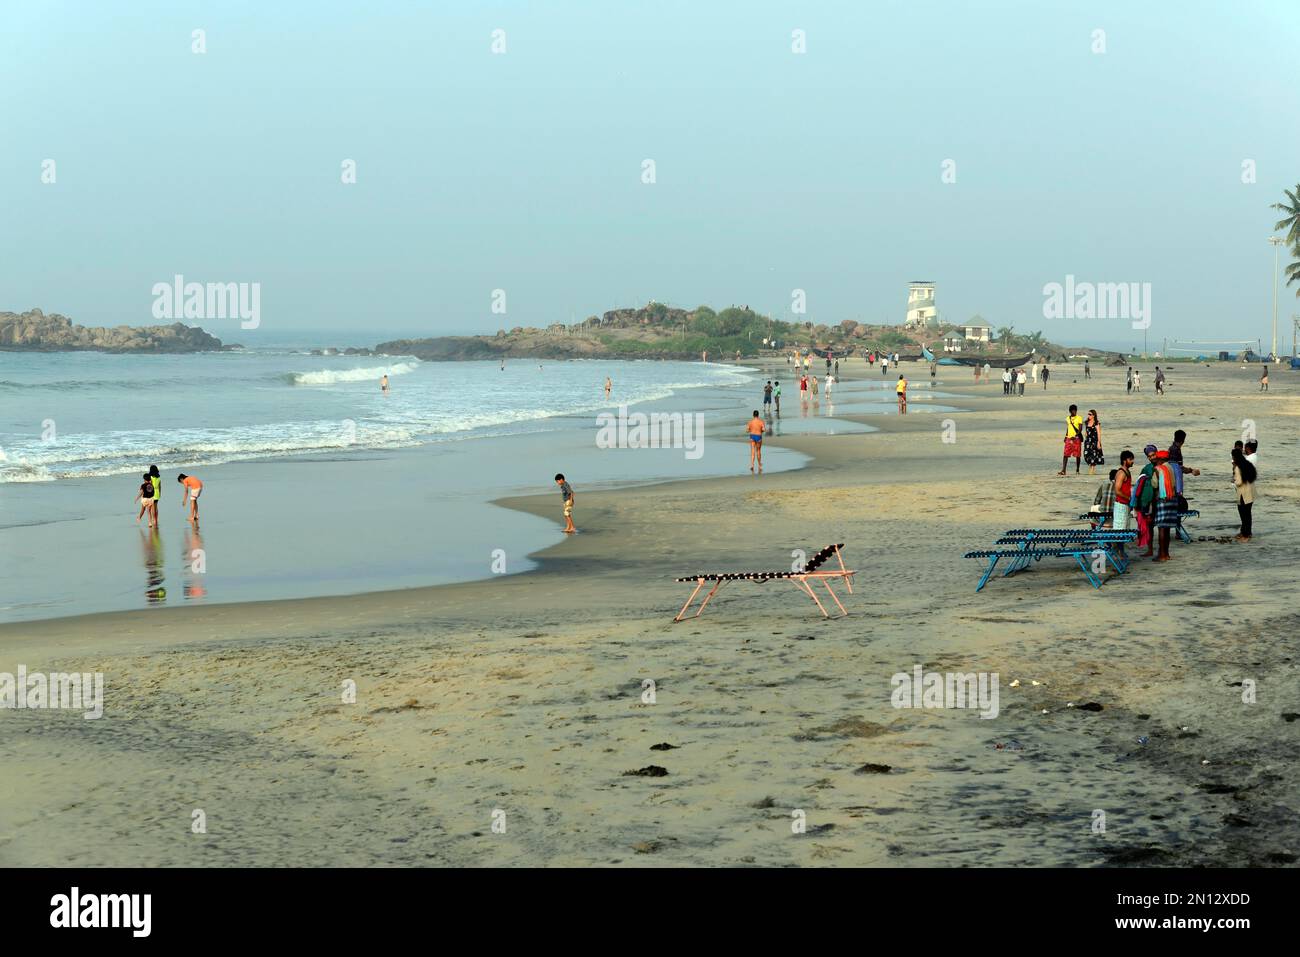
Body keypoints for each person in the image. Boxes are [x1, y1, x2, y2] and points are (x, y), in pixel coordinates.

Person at [1150, 450, 1179, 562]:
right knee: (1167, 528)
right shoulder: (1172, 468)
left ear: (1161, 459)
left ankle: (1162, 555)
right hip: (1173, 499)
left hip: (1163, 499)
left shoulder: (1158, 469)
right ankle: (1166, 553)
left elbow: (1154, 484)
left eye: (1157, 458)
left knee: (1161, 527)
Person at [1232, 448, 1257, 541]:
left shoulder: (1238, 467)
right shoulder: (1247, 464)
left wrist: (1233, 479)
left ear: (1234, 457)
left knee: (1243, 514)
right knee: (1248, 514)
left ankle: (1245, 535)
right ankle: (1247, 533)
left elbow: (1238, 482)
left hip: (1243, 494)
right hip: (1251, 493)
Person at [1112, 450, 1136, 544]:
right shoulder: (1121, 473)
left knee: (1125, 530)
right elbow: (1117, 490)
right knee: (1119, 531)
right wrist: (1128, 498)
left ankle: (1120, 552)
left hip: (1126, 504)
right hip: (1121, 505)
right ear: (1125, 460)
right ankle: (1117, 552)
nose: (1132, 461)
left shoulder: (1127, 472)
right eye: (1130, 459)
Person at [1058, 405, 1084, 475]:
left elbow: (1080, 428)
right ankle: (1063, 470)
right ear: (1070, 411)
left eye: (1075, 410)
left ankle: (1077, 470)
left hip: (1077, 439)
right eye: (1073, 410)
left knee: (1077, 455)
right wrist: (1066, 436)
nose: (1075, 412)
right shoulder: (1067, 418)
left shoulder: (1079, 418)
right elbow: (1068, 428)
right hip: (1069, 438)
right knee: (1065, 454)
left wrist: (1076, 436)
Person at [1083, 409, 1104, 475]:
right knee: (1086, 455)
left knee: (1093, 455)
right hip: (1088, 441)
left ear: (1093, 416)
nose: (1088, 415)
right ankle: (1091, 468)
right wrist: (1086, 436)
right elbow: (1086, 431)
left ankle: (1092, 470)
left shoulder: (1096, 423)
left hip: (1094, 441)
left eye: (1090, 414)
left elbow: (1099, 434)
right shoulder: (1087, 422)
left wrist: (1098, 442)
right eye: (1088, 414)